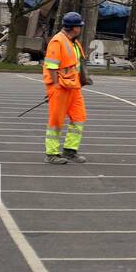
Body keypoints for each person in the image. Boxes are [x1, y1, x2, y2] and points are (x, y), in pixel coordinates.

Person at [42, 11, 90, 165]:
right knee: (56, 121)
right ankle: (52, 153)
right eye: (80, 26)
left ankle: (70, 150)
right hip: (61, 87)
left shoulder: (73, 41)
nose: (80, 29)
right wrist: (55, 85)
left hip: (73, 87)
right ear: (74, 28)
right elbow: (51, 65)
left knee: (79, 118)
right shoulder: (57, 41)